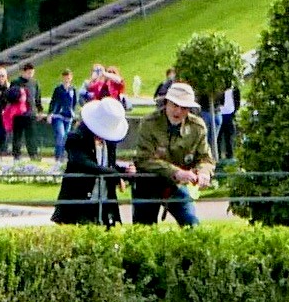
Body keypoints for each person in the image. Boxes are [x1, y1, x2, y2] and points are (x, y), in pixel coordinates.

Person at [127, 79, 214, 224]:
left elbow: (205, 158)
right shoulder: (149, 123)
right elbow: (143, 159)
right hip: (148, 184)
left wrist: (204, 172)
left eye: (184, 107)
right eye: (175, 105)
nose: (178, 111)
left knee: (192, 224)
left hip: (177, 186)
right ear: (166, 102)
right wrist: (176, 172)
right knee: (143, 232)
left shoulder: (197, 127)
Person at [55, 74, 129, 224]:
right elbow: (84, 163)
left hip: (104, 204)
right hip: (79, 205)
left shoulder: (109, 142)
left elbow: (108, 165)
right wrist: (113, 173)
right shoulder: (76, 138)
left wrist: (123, 171)